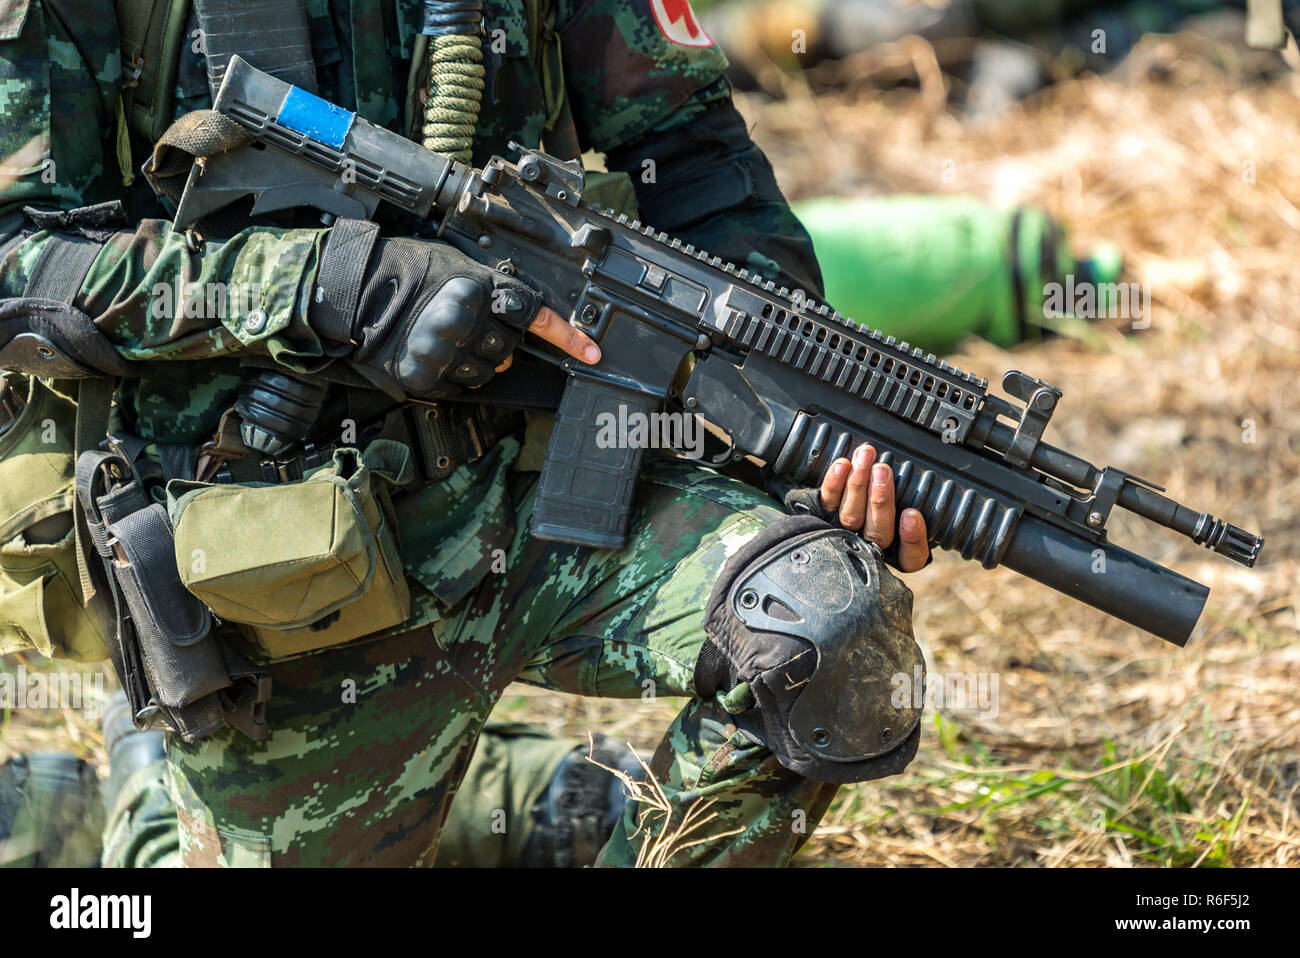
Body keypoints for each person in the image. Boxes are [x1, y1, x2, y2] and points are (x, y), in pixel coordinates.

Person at [0, 0, 930, 867]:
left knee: (826, 627)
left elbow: (691, 156)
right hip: (287, 564)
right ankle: (134, 799)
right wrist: (333, 285)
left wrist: (805, 417)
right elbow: (20, 263)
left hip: (553, 483)